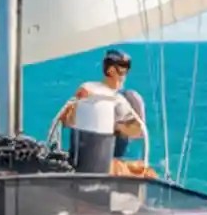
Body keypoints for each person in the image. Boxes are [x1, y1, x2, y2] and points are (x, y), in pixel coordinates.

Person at [59, 49, 156, 178]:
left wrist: (115, 126)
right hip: (84, 160)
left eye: (126, 70)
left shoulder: (128, 99)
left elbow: (138, 131)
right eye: (122, 70)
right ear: (110, 70)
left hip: (113, 160)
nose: (124, 75)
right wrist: (79, 111)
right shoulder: (88, 89)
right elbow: (65, 119)